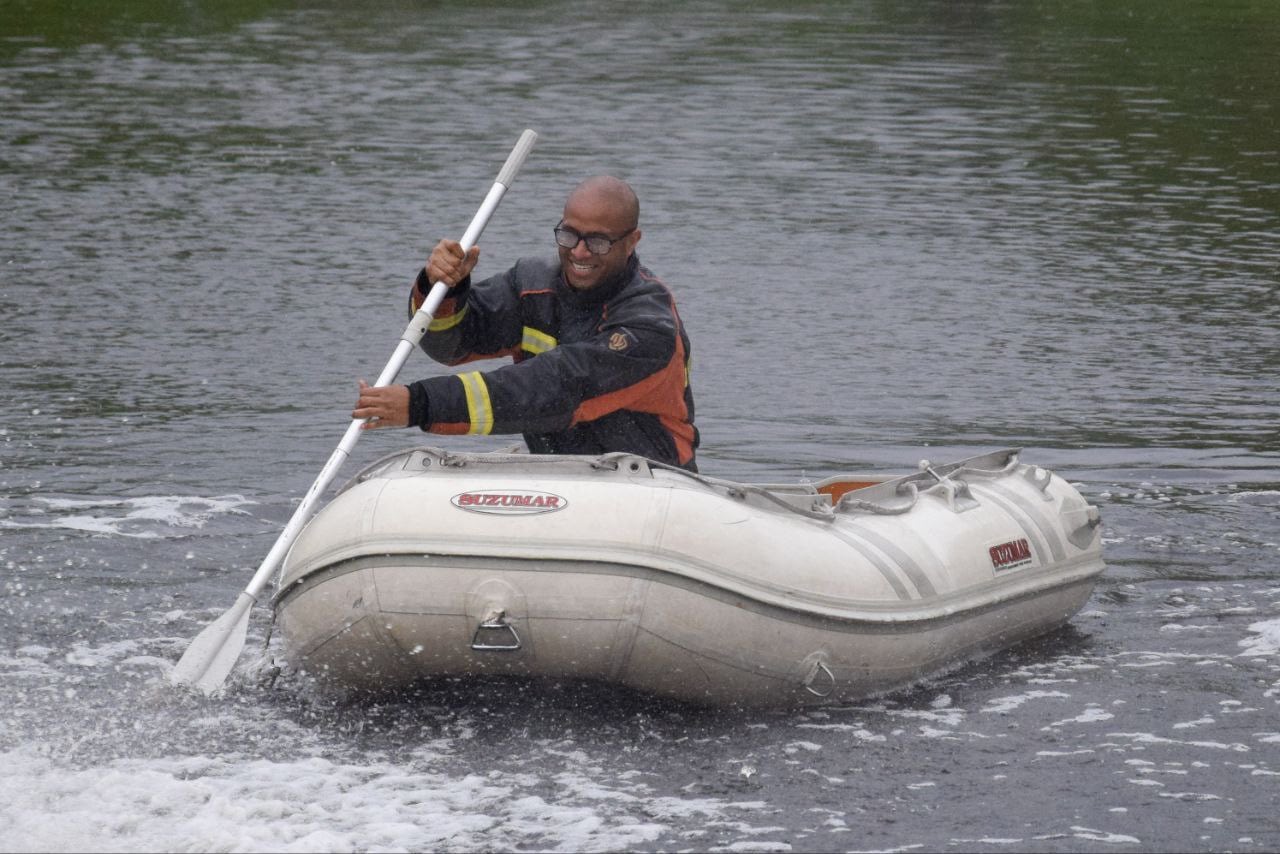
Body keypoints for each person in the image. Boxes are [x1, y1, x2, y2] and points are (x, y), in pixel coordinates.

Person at [352, 175, 699, 471]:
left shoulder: (650, 324)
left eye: (598, 241)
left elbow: (554, 389)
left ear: (632, 241)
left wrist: (422, 403)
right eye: (569, 235)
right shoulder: (531, 286)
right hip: (560, 481)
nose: (579, 252)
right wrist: (444, 287)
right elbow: (450, 345)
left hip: (652, 483)